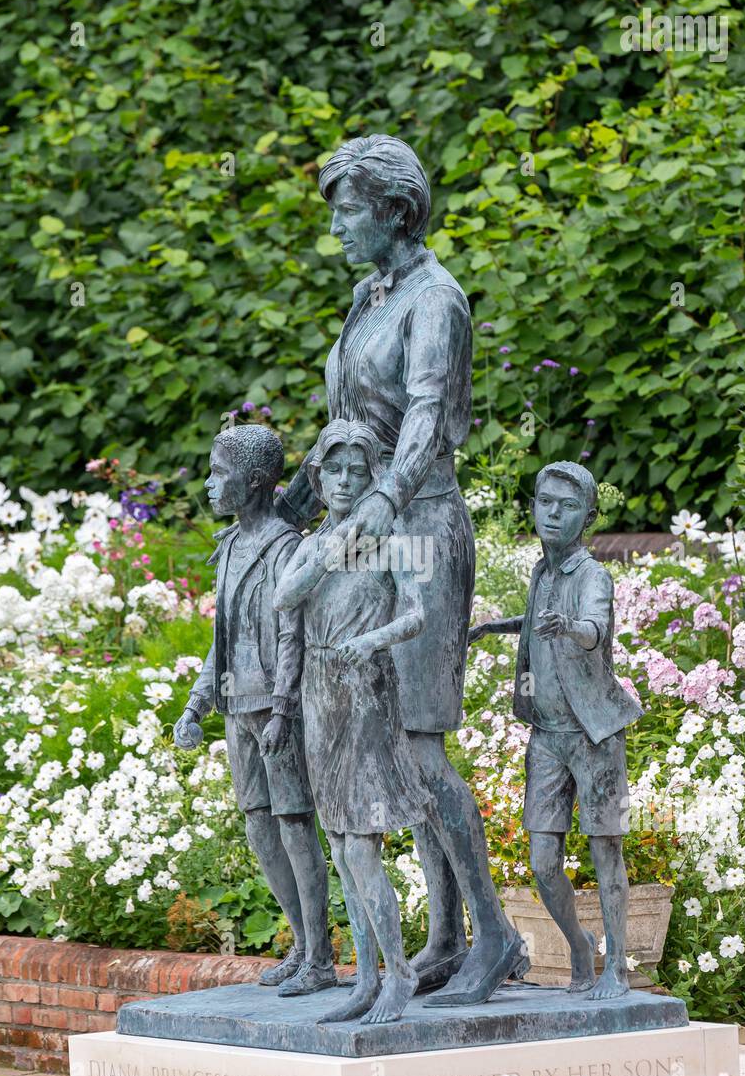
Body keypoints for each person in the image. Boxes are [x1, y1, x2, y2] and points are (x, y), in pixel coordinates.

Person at [276, 134, 524, 1005]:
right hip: (366, 530)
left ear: (396, 210)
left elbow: (425, 420)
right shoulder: (366, 297)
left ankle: (495, 935)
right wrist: (293, 505)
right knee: (396, 747)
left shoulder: (437, 300)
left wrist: (382, 501)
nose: (337, 225)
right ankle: (449, 939)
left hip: (417, 529)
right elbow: (344, 420)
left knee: (418, 745)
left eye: (348, 209)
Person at [274, 420, 430, 1025]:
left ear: (371, 480)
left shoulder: (393, 541)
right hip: (319, 695)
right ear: (316, 476)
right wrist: (333, 549)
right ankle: (365, 978)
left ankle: (400, 973)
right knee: (338, 845)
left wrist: (373, 641)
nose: (343, 481)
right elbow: (286, 597)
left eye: (356, 472)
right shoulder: (313, 545)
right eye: (332, 470)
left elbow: (415, 614)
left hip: (365, 692)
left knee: (362, 844)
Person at [468, 461, 643, 1000]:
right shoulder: (542, 572)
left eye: (567, 507)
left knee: (605, 848)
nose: (552, 513)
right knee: (542, 862)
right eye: (545, 502)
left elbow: (595, 627)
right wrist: (494, 626)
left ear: (587, 518)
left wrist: (571, 628)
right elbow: (538, 618)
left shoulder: (594, 576)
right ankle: (578, 942)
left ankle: (615, 967)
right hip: (547, 736)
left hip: (594, 736)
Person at [173, 423, 335, 997]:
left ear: (259, 481)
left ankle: (320, 955)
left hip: (274, 704)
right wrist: (197, 702)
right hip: (236, 700)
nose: (210, 485)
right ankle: (302, 943)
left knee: (295, 823)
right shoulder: (230, 547)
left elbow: (293, 634)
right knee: (260, 827)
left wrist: (283, 709)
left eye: (220, 473)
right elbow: (225, 635)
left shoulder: (284, 547)